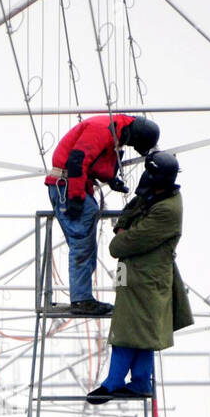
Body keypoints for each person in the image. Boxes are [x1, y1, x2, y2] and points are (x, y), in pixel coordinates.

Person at [86, 149, 193, 402]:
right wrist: (122, 227)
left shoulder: (167, 209)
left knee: (127, 330)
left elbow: (121, 245)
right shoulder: (155, 193)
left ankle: (113, 383)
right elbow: (130, 211)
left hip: (147, 279)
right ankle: (140, 382)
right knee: (140, 332)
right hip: (134, 275)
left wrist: (123, 234)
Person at [45, 114, 160, 317]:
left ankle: (83, 298)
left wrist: (111, 179)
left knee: (86, 245)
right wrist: (76, 197)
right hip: (67, 187)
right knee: (82, 244)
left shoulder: (113, 130)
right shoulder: (103, 129)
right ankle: (81, 300)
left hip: (72, 185)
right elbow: (78, 159)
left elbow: (93, 159)